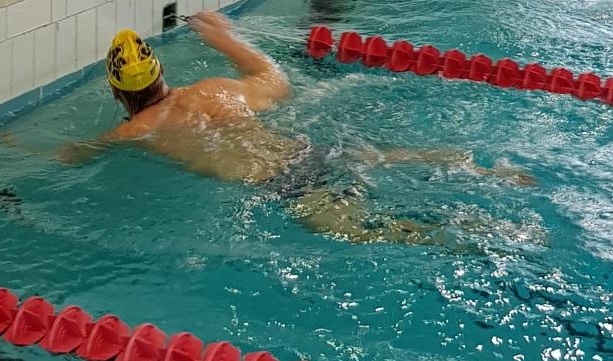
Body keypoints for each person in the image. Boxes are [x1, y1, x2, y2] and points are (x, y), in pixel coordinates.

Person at [85, 14, 520, 242]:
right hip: (308, 150)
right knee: (377, 159)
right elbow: (275, 80)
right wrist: (224, 38)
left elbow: (76, 154)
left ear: (116, 92)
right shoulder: (216, 90)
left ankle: (475, 235)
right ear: (161, 72)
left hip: (285, 183)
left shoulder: (133, 132)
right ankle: (483, 170)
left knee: (360, 232)